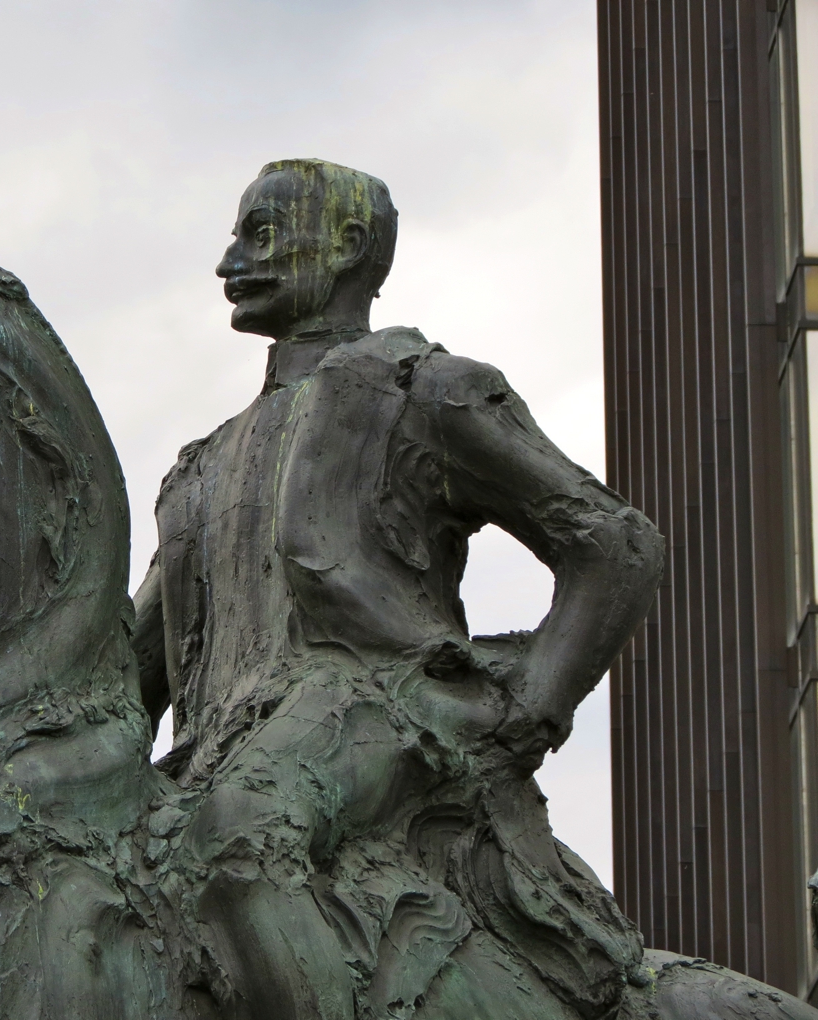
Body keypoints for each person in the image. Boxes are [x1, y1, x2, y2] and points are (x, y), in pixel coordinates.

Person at [132, 158, 665, 1019]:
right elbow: (127, 677)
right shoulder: (200, 467)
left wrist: (526, 712)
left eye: (259, 235)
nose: (230, 262)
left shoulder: (429, 389)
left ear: (346, 245)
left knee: (238, 835)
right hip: (213, 748)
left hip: (380, 719)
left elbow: (613, 544)